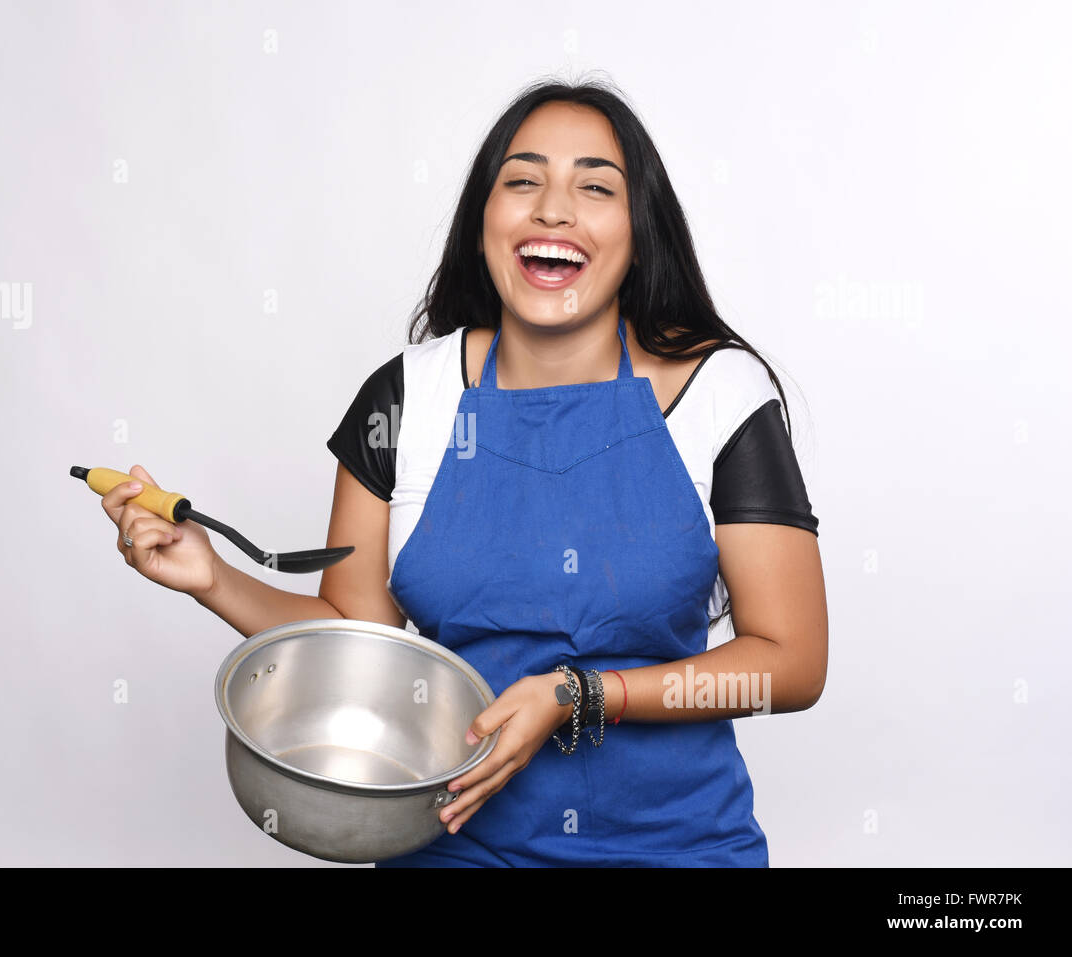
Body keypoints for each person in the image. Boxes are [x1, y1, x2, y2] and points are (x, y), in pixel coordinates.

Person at [100, 77, 828, 867]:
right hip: (453, 845)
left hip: (679, 849)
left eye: (593, 185)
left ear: (638, 229)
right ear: (485, 220)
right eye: (522, 181)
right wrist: (212, 576)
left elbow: (788, 664)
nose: (553, 208)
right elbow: (358, 647)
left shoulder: (718, 393)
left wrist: (584, 696)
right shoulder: (406, 399)